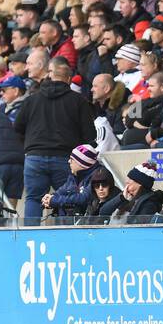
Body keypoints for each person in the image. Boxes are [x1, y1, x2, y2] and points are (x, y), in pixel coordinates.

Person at [13, 57, 96, 225]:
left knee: (33, 199)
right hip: (65, 158)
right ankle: (63, 238)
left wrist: (29, 146)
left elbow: (17, 128)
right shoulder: (78, 101)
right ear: (68, 79)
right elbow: (89, 134)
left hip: (34, 157)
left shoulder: (32, 99)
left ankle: (30, 236)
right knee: (66, 199)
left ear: (50, 76)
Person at [44, 144, 100, 221]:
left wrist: (55, 200)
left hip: (92, 222)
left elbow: (83, 199)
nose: (68, 161)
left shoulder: (98, 175)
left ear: (81, 163)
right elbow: (62, 190)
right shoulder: (75, 174)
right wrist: (50, 198)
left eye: (72, 159)